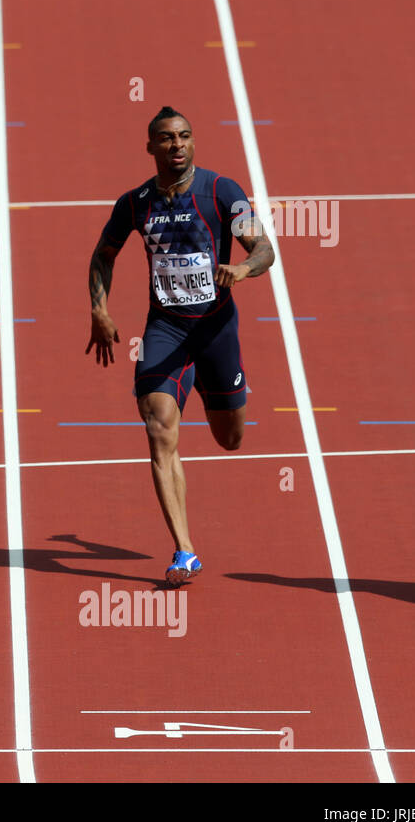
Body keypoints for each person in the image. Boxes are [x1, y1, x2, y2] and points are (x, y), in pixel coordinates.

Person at [86, 106, 274, 587]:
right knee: (158, 426)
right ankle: (185, 550)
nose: (178, 145)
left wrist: (243, 269)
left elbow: (264, 249)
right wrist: (100, 310)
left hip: (216, 332)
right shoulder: (135, 203)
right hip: (165, 332)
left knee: (230, 438)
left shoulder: (221, 191)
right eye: (167, 138)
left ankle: (218, 393)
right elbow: (103, 255)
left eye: (185, 136)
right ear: (150, 147)